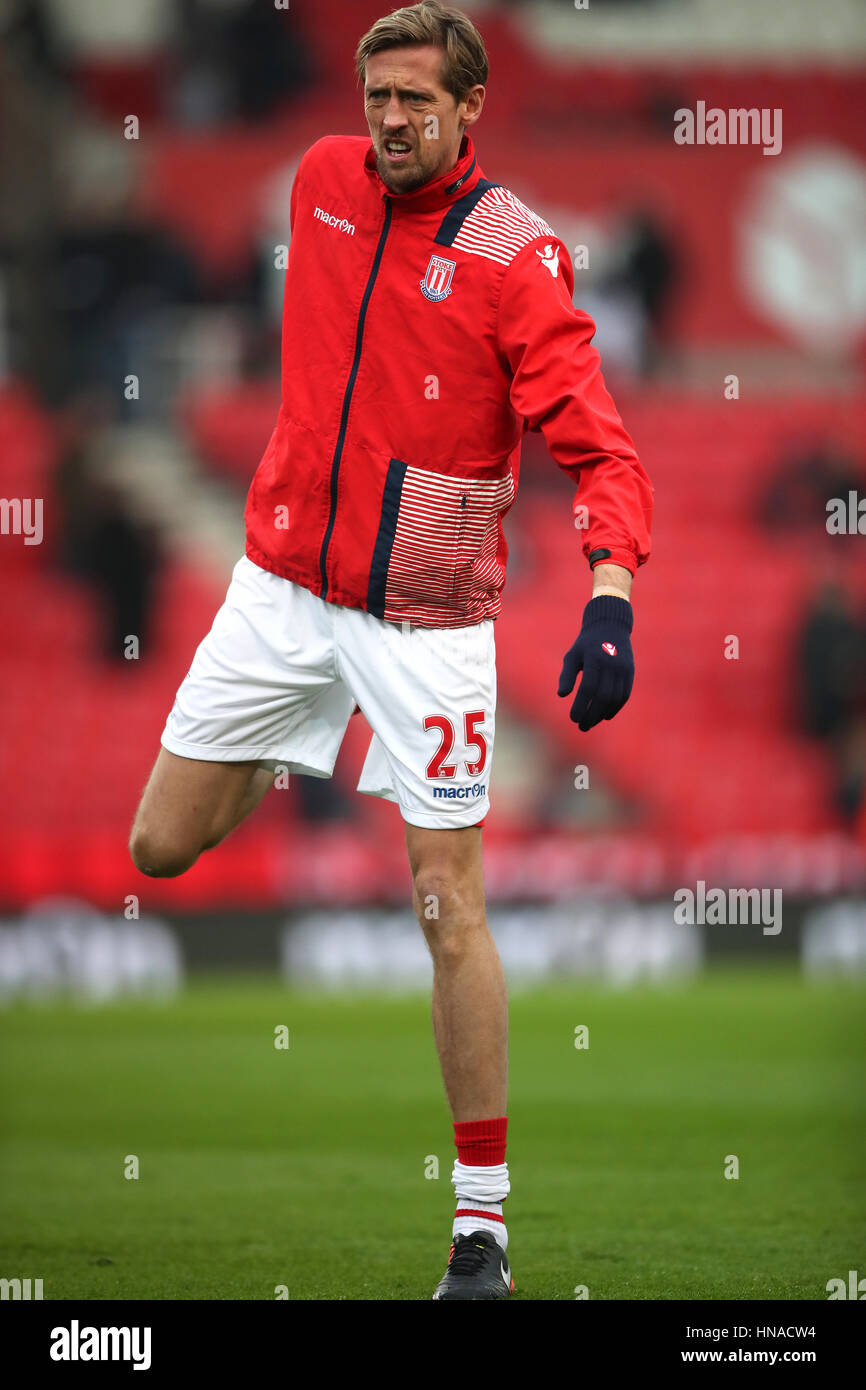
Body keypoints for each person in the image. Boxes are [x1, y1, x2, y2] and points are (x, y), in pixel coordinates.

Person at [129, 0, 653, 1301]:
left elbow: (598, 442)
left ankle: (480, 1230)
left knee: (445, 905)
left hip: (426, 622)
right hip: (282, 588)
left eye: (418, 102)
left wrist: (608, 592)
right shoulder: (317, 182)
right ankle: (301, 742)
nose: (392, 123)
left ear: (470, 108)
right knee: (158, 846)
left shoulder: (514, 255)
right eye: (378, 100)